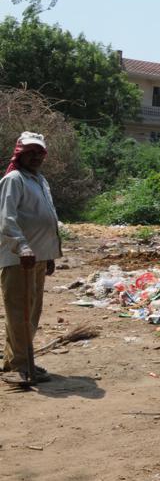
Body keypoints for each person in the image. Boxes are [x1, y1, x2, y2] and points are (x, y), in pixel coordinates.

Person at [0, 132, 60, 384]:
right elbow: (6, 219)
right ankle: (20, 365)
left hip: (37, 257)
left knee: (31, 312)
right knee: (19, 313)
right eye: (30, 152)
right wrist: (22, 247)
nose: (35, 156)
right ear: (19, 154)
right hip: (19, 258)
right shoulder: (14, 179)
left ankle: (16, 360)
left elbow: (47, 217)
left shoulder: (40, 180)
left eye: (39, 152)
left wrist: (49, 254)